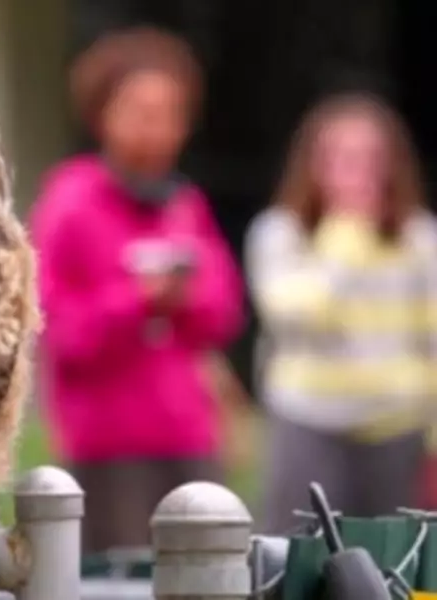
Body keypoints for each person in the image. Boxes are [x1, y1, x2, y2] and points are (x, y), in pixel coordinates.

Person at [30, 27, 245, 554]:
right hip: (109, 450)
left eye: (171, 114)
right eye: (142, 112)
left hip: (188, 441)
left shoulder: (184, 204)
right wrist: (137, 301)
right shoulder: (71, 201)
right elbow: (57, 328)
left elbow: (224, 312)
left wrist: (183, 300)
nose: (159, 130)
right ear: (102, 114)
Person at [245, 92, 437, 533]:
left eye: (370, 159)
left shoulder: (419, 238)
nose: (356, 173)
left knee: (392, 565)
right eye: (340, 158)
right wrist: (345, 236)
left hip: (397, 428)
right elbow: (294, 317)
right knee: (297, 556)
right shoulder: (280, 233)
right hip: (308, 421)